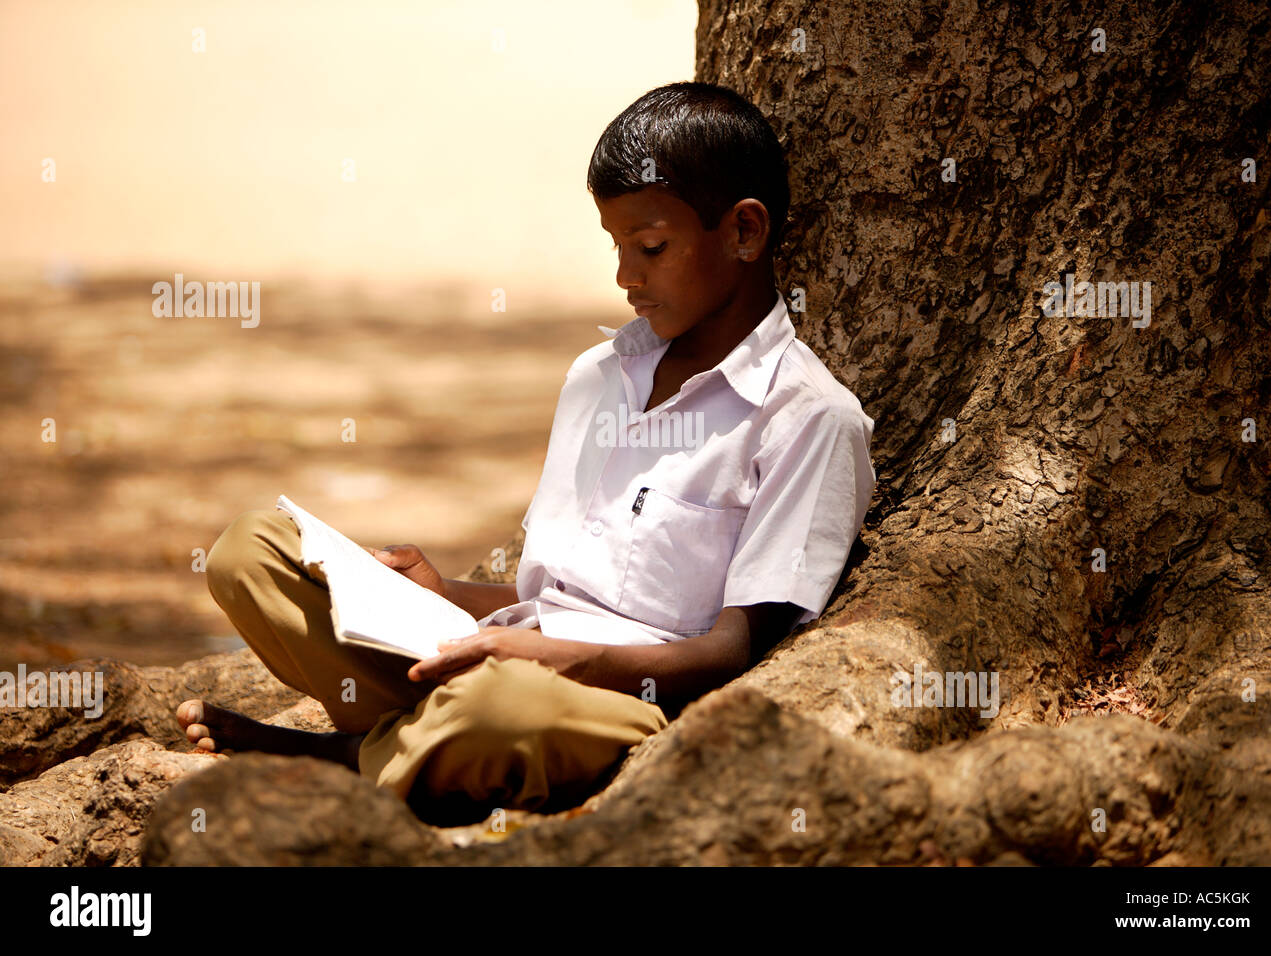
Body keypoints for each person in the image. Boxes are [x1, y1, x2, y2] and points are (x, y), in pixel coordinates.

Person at [177, 81, 876, 824]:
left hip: (616, 706)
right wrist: (445, 594)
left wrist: (560, 663)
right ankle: (417, 745)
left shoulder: (809, 419)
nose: (625, 277)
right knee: (251, 551)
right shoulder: (597, 377)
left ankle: (335, 760)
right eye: (616, 247)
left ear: (743, 232)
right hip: (503, 660)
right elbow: (558, 595)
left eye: (650, 248)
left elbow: (733, 653)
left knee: (502, 710)